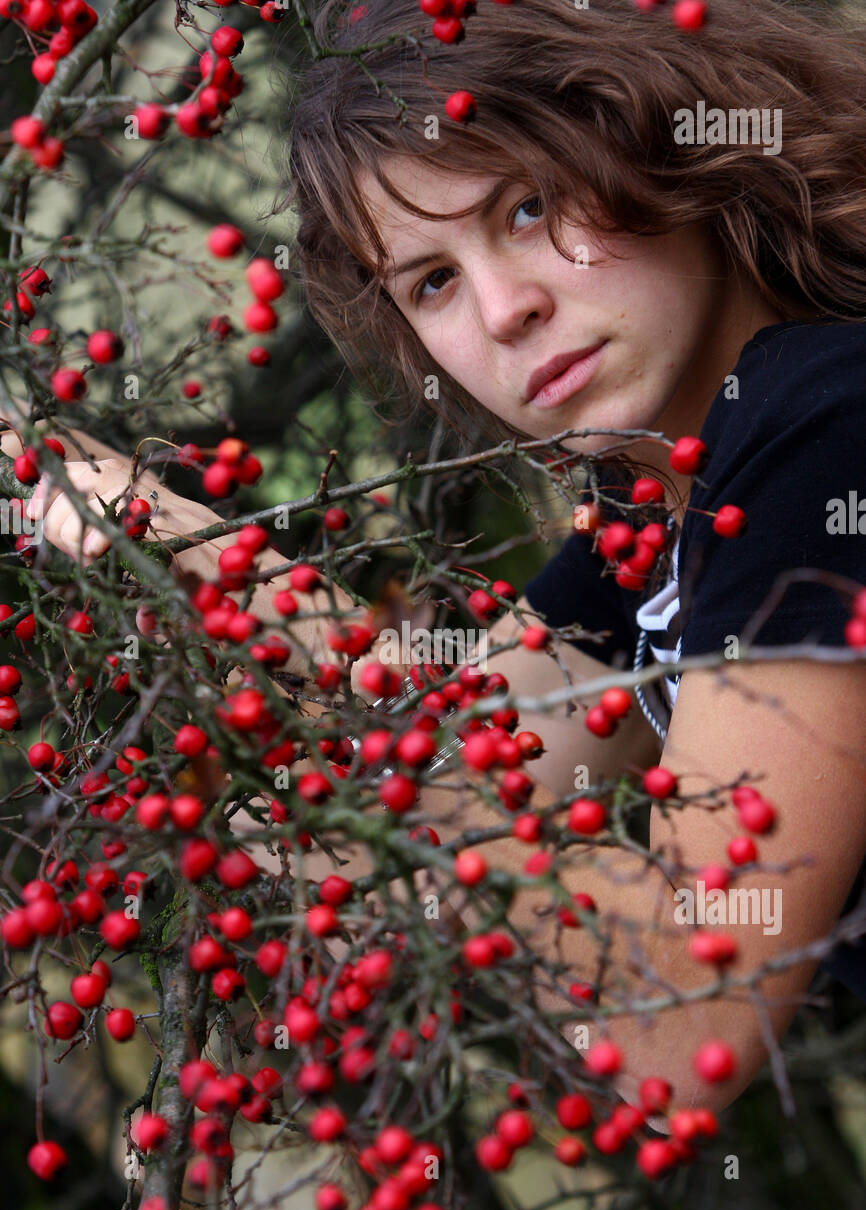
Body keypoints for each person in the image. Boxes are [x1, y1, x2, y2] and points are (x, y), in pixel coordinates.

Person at [7, 0, 866, 1117]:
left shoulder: (823, 421)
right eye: (430, 282)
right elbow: (444, 746)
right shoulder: (657, 495)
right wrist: (153, 540)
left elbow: (689, 1007)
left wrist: (323, 765)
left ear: (656, 136)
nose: (505, 312)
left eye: (527, 207)